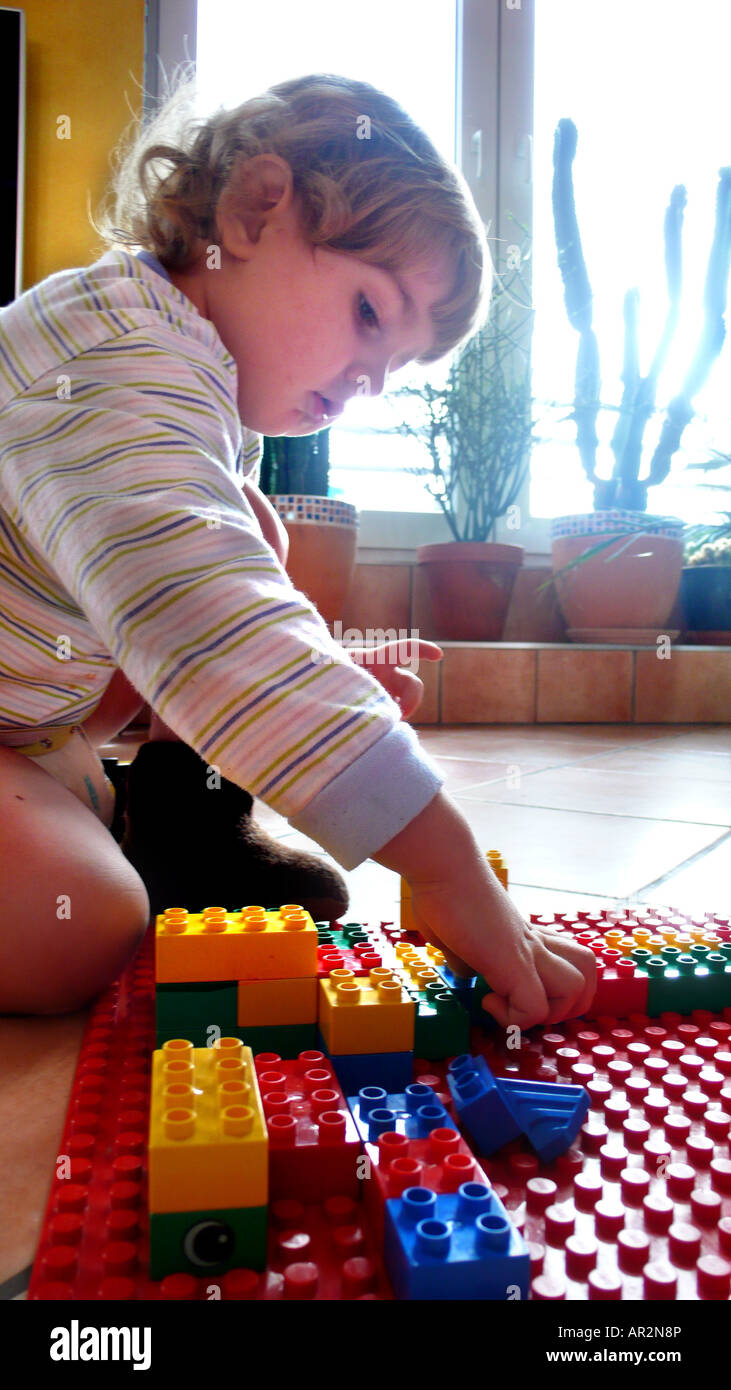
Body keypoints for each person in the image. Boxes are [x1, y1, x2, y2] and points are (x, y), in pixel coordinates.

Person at [0, 70, 596, 1022]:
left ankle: (172, 817)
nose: (368, 379)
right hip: (28, 724)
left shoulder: (181, 359)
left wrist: (325, 687)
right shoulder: (113, 366)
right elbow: (208, 623)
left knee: (246, 519)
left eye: (393, 367)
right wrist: (443, 864)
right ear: (249, 211)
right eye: (369, 313)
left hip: (28, 719)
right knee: (82, 926)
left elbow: (207, 586)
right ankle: (111, 828)